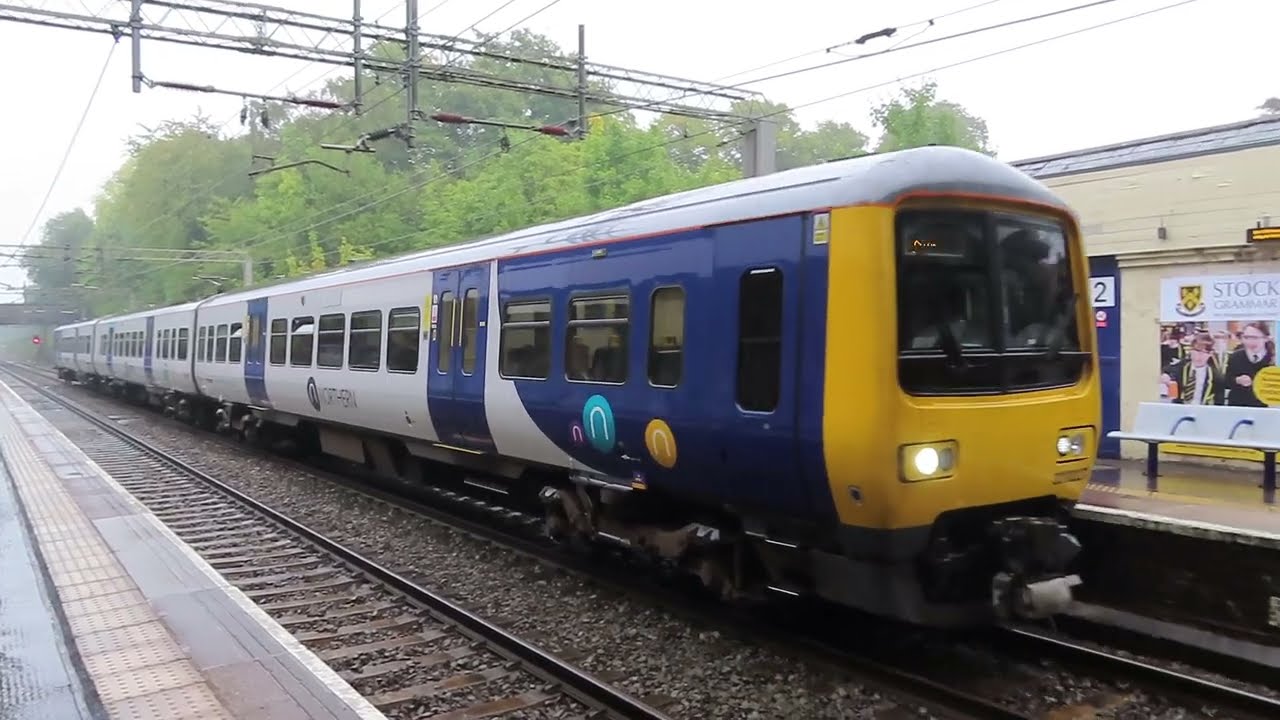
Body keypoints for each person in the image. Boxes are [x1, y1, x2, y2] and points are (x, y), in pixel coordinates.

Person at [1160, 333, 1223, 405]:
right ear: (1191, 350)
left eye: (1204, 353)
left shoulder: (1216, 376)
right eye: (1197, 351)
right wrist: (1166, 375)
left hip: (1203, 410)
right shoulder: (1182, 367)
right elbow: (1169, 370)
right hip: (1180, 409)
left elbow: (1219, 401)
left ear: (1210, 354)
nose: (1199, 357)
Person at [1225, 321, 1273, 407]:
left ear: (1266, 338)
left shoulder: (1273, 358)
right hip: (1238, 405)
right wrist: (1237, 380)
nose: (1249, 342)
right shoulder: (1236, 356)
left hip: (1266, 407)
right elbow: (1226, 380)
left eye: (1254, 338)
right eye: (1246, 337)